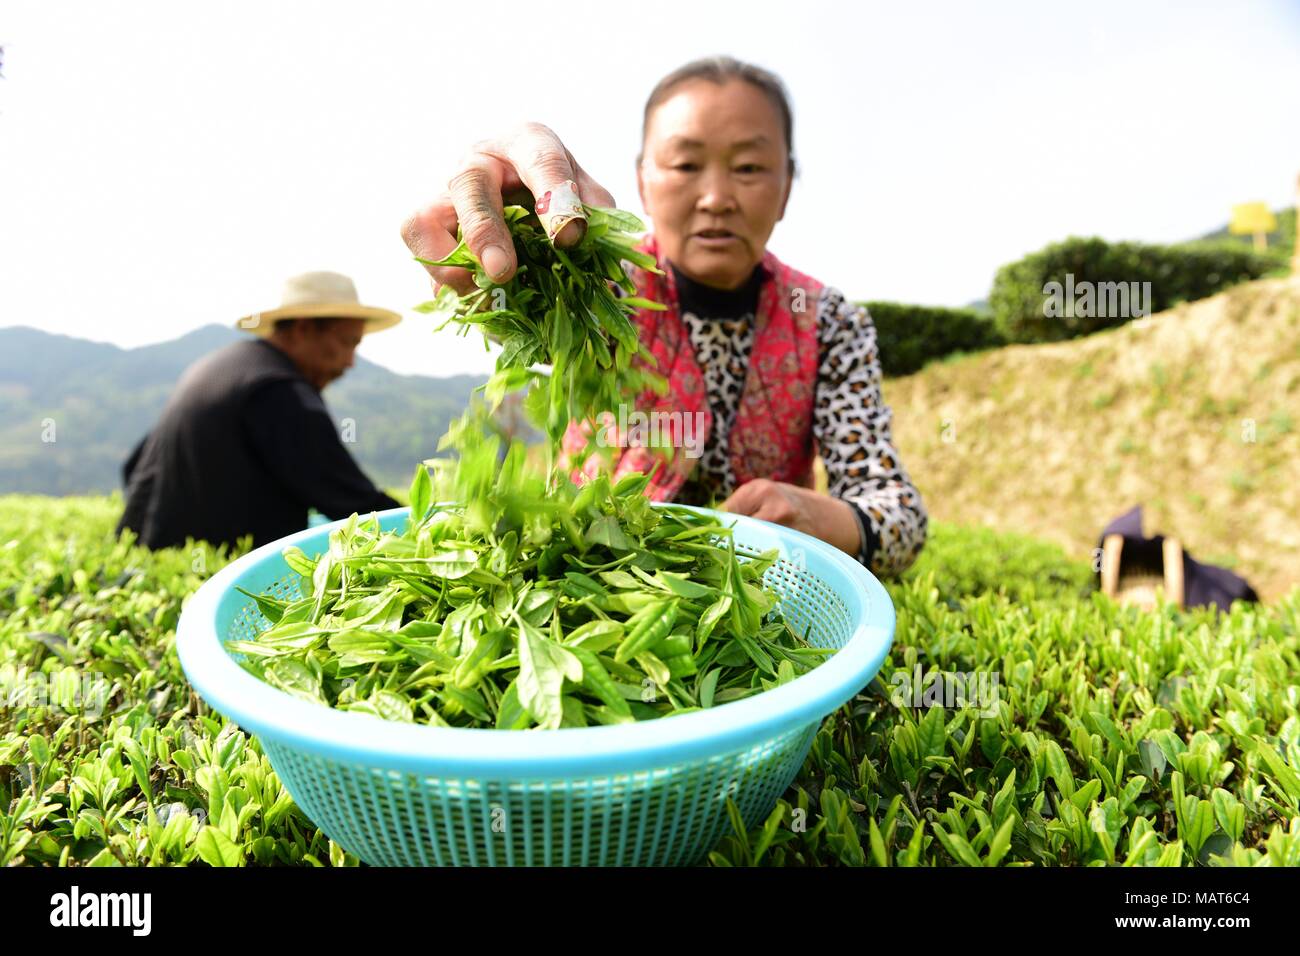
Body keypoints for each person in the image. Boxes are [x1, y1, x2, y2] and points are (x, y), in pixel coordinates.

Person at [401, 56, 927, 577]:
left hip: (759, 590)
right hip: (592, 581)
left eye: (748, 168)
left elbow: (898, 513)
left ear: (787, 186)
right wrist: (514, 216)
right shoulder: (600, 288)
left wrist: (827, 518)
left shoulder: (828, 322)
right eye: (685, 165)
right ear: (644, 183)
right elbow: (512, 305)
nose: (717, 198)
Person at [116, 271, 401, 550]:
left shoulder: (220, 368)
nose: (350, 362)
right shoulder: (279, 392)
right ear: (303, 329)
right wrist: (423, 528)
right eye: (346, 343)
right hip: (219, 580)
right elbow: (354, 503)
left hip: (146, 558)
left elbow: (135, 467)